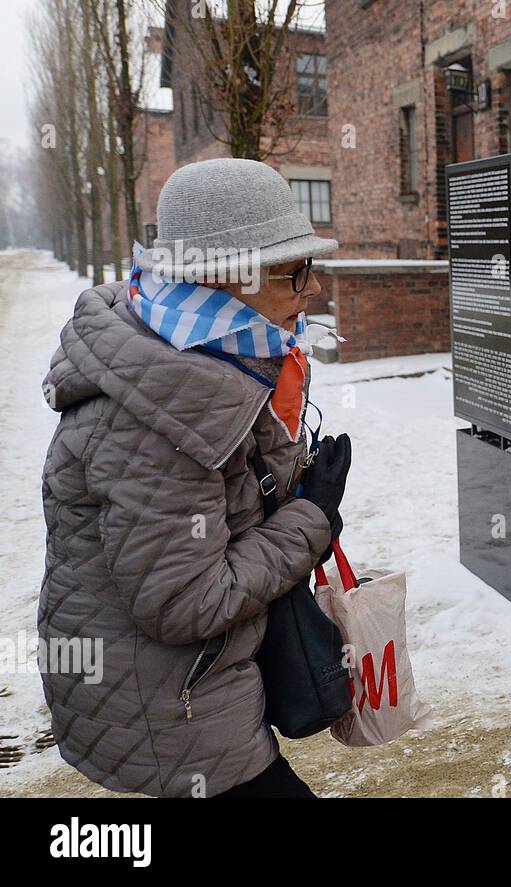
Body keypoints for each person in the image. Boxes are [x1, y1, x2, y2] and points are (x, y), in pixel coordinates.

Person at [38, 158, 350, 798]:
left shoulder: (194, 351)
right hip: (170, 712)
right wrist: (310, 517)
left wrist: (289, 477)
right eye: (297, 273)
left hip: (190, 685)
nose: (314, 290)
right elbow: (186, 602)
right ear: (225, 279)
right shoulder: (152, 414)